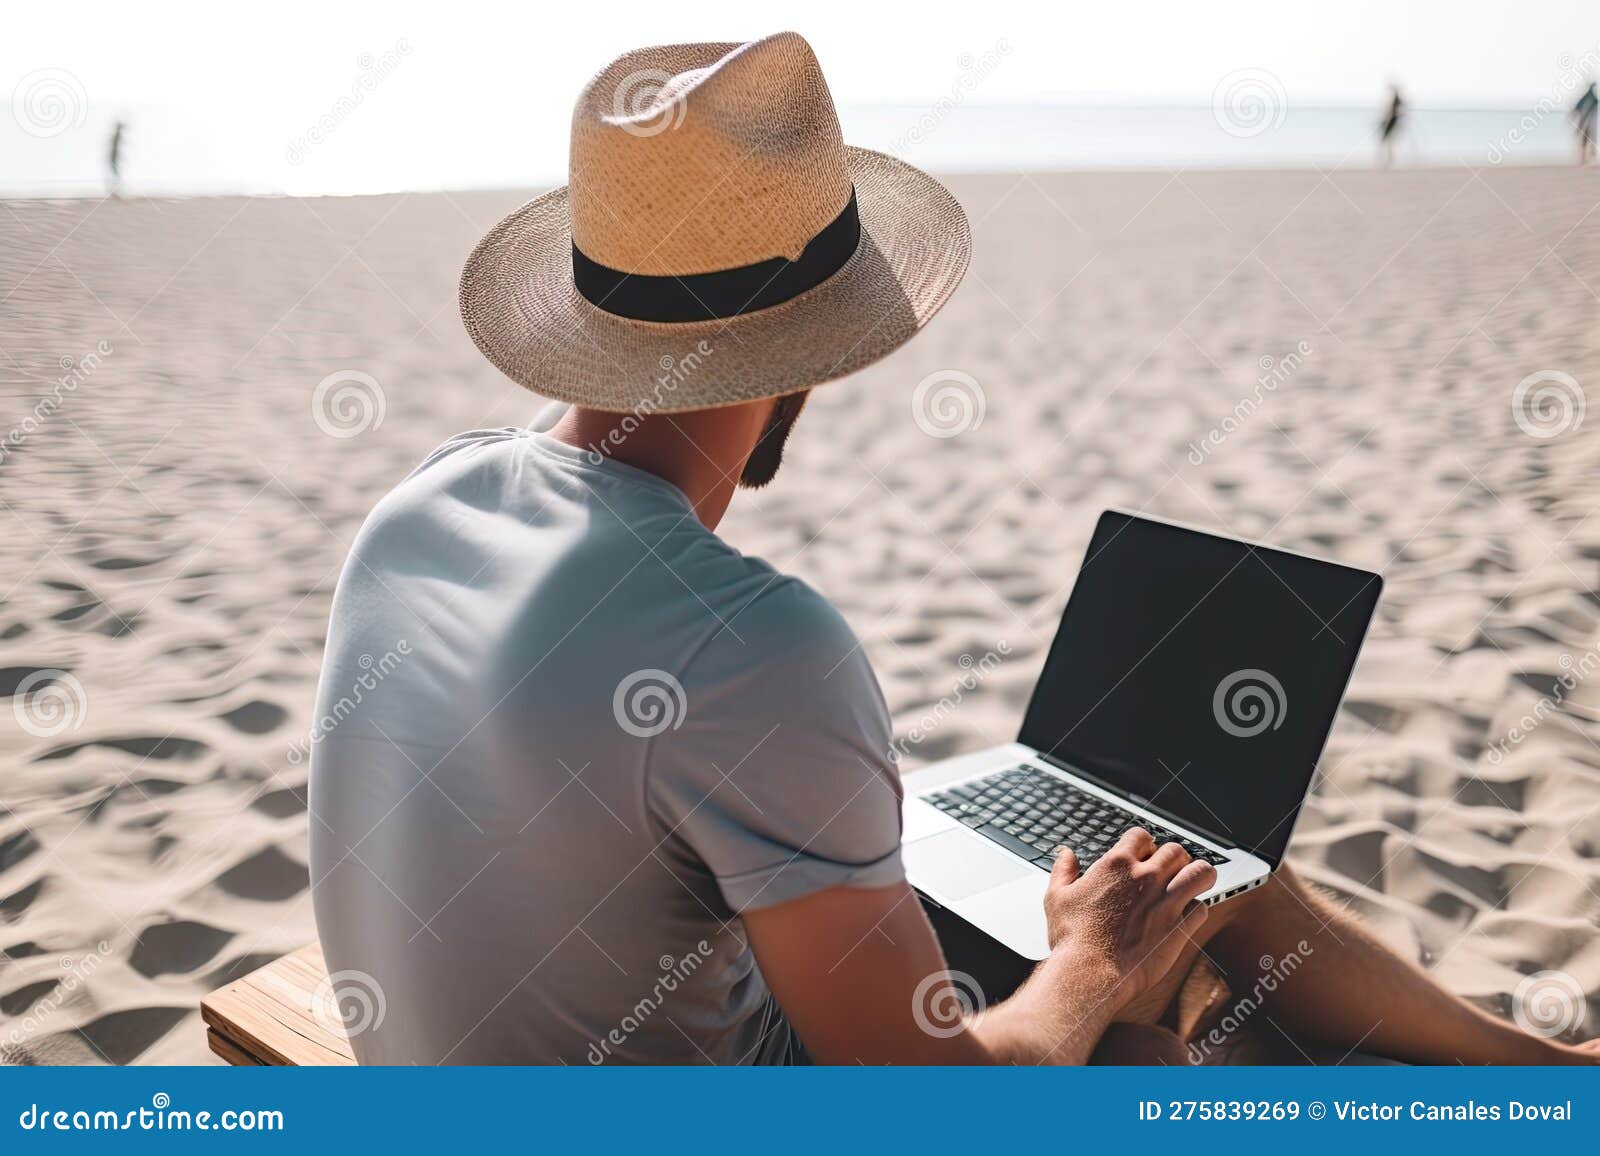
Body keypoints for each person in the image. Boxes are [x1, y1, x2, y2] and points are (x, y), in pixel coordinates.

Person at [308, 33, 1599, 1066]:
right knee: (1156, 989)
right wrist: (1090, 966)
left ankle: (1548, 1081)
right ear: (816, 356)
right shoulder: (751, 642)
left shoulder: (424, 504)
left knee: (1171, 867)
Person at [1378, 84, 1404, 168]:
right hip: (1390, 122)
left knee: (1387, 142)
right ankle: (1388, 161)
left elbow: (1397, 112)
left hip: (1391, 122)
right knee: (1387, 142)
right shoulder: (1396, 100)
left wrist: (1388, 118)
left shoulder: (1397, 100)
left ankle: (1388, 161)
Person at [1574, 81, 1598, 165]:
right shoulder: (1592, 99)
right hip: (1588, 123)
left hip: (1588, 123)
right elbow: (1579, 108)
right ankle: (1584, 159)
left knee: (1588, 140)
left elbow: (1579, 108)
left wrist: (1579, 125)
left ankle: (1585, 159)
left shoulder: (1592, 99)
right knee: (1588, 140)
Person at [107, 120, 126, 197]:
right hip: (113, 158)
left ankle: (114, 191)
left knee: (115, 175)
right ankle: (114, 191)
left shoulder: (116, 135)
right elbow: (115, 148)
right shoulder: (117, 135)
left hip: (113, 157)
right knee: (116, 175)